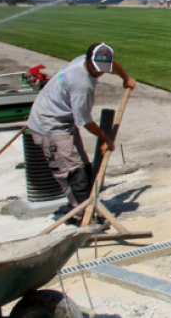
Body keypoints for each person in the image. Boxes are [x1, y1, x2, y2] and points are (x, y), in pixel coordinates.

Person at [27, 43, 136, 219]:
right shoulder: (81, 85)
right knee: (70, 171)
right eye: (97, 69)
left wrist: (126, 77)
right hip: (49, 124)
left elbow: (113, 64)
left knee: (84, 166)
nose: (100, 73)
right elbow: (84, 121)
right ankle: (81, 215)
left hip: (60, 115)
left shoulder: (83, 61)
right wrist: (105, 139)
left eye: (104, 69)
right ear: (88, 61)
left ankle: (88, 204)